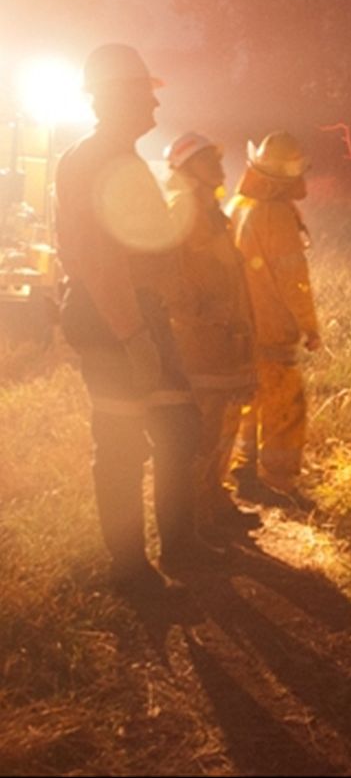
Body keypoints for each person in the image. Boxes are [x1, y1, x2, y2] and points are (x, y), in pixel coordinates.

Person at [55, 43, 226, 598]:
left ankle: (179, 546)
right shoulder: (95, 161)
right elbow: (101, 261)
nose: (154, 110)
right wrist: (132, 336)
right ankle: (130, 570)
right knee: (124, 442)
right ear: (117, 97)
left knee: (177, 429)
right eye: (145, 97)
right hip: (113, 320)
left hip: (136, 315)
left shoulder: (119, 159)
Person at [162, 131, 261, 542]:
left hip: (224, 342)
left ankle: (213, 502)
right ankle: (195, 521)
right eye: (209, 159)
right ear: (188, 168)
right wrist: (198, 314)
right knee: (202, 434)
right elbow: (167, 273)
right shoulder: (181, 209)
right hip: (200, 344)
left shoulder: (211, 211)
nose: (220, 165)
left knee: (222, 428)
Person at [227, 131, 321, 507]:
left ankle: (243, 471)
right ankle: (279, 483)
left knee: (250, 400)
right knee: (285, 408)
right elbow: (292, 279)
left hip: (243, 324)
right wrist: (309, 327)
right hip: (273, 327)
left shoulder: (240, 205)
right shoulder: (277, 215)